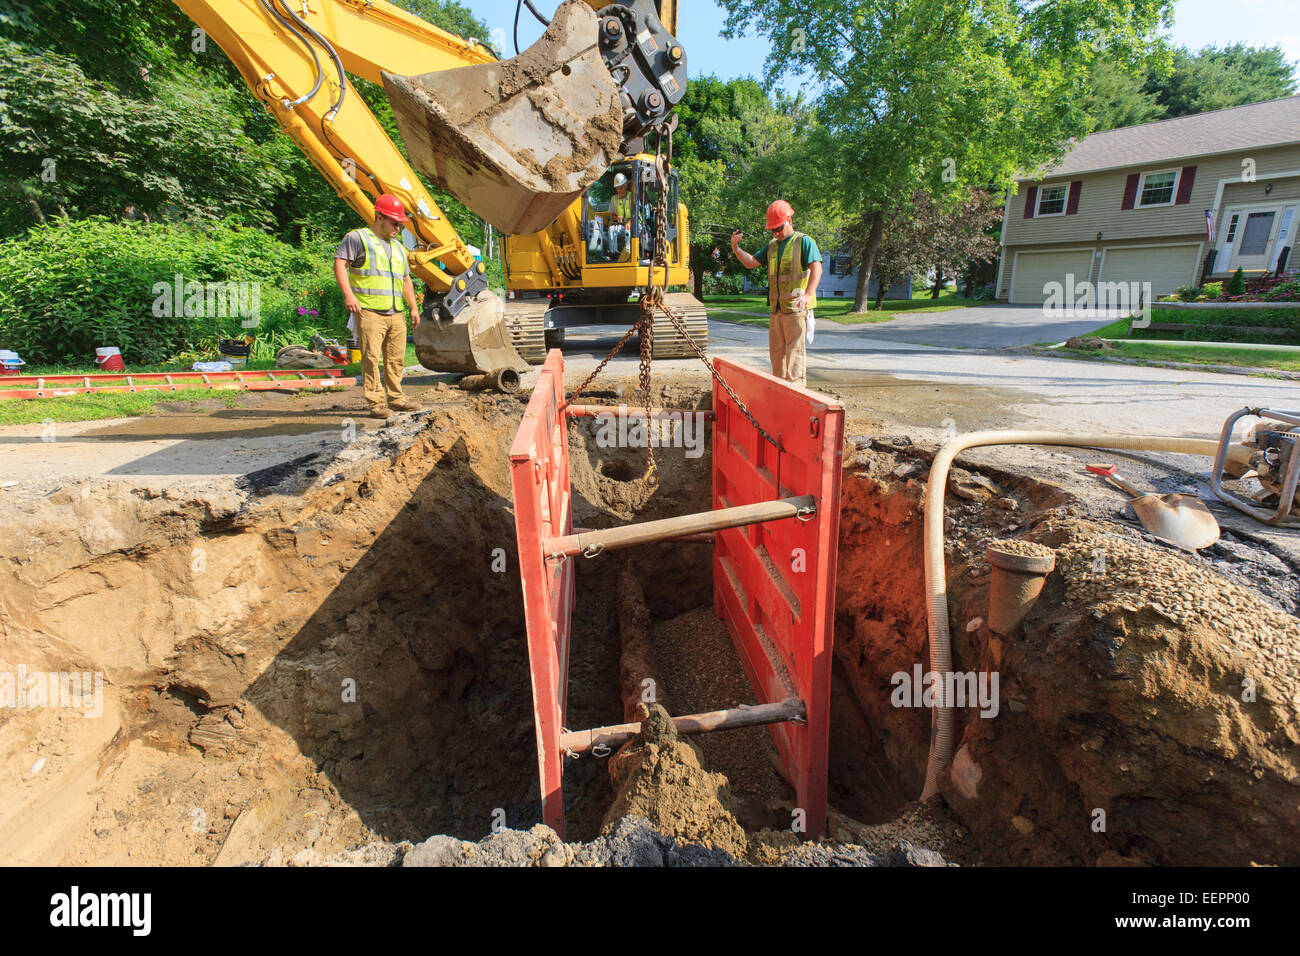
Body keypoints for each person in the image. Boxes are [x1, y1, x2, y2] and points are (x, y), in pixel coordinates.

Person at [334, 194, 423, 419]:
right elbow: (340, 264)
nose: (397, 227)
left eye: (400, 224)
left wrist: (413, 307)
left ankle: (397, 398)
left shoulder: (399, 248)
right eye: (394, 222)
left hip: (396, 312)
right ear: (379, 217)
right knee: (371, 358)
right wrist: (349, 296)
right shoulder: (358, 238)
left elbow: (405, 280)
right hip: (369, 310)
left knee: (396, 359)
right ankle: (376, 403)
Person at [730, 199, 822, 388]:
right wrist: (736, 249)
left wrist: (807, 294)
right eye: (773, 230)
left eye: (779, 228)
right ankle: (779, 389)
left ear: (789, 220)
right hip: (777, 310)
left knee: (794, 351)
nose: (776, 233)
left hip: (796, 309)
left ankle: (796, 389)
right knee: (776, 352)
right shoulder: (772, 245)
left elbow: (817, 268)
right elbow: (751, 262)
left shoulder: (804, 242)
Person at [606, 172, 633, 261]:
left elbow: (637, 212)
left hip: (634, 224)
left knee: (628, 230)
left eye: (621, 187)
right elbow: (612, 214)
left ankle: (628, 253)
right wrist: (616, 217)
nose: (620, 190)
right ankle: (613, 253)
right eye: (618, 188)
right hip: (621, 225)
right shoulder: (614, 199)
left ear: (626, 186)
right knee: (611, 230)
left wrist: (630, 221)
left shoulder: (632, 197)